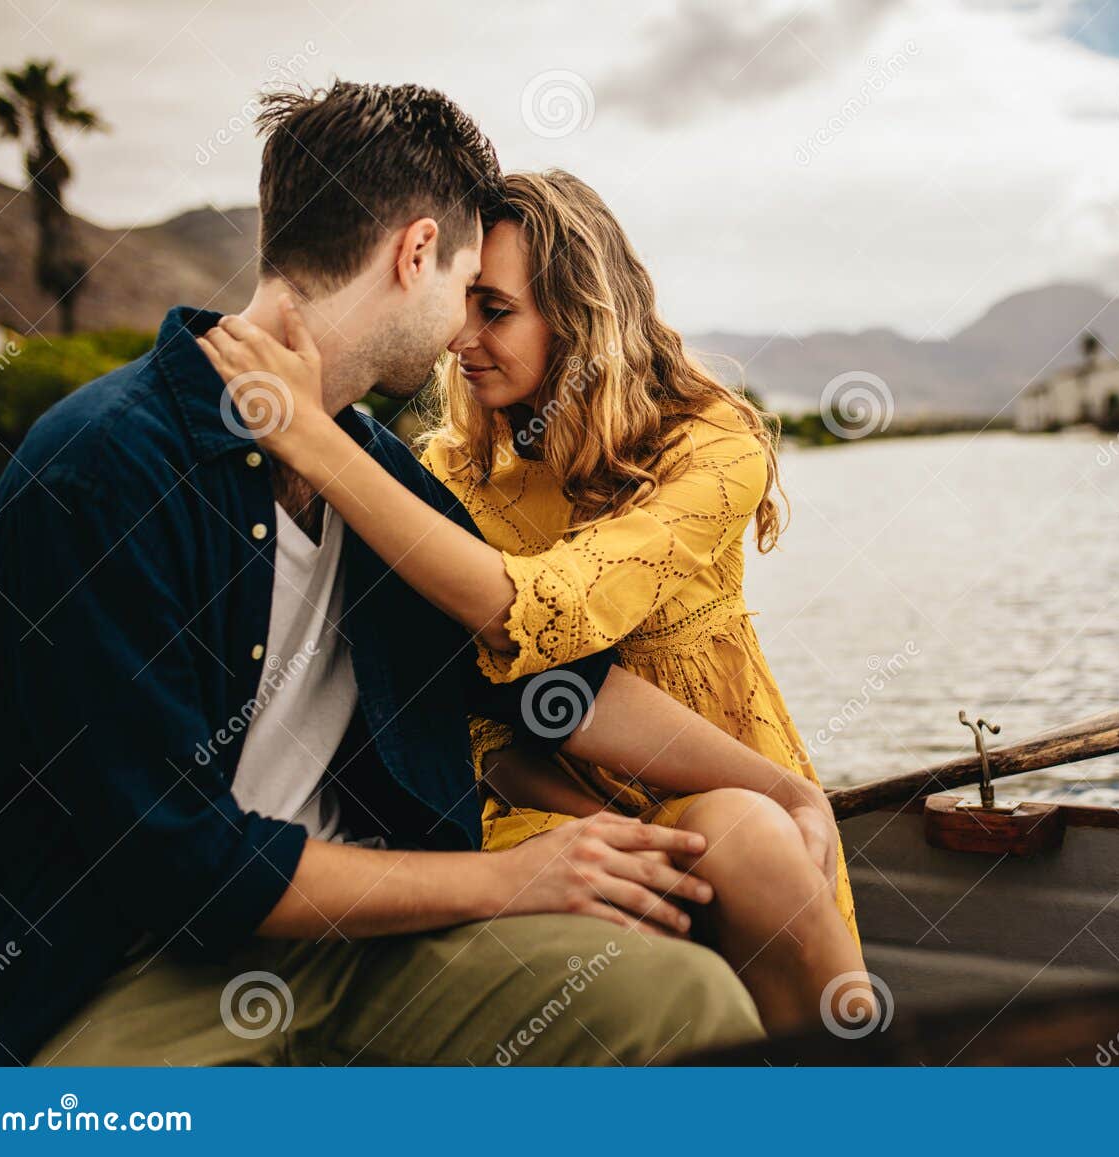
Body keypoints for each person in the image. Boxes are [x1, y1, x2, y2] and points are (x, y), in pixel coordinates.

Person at [0, 81, 836, 1067]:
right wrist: (510, 880)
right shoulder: (101, 469)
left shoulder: (374, 473)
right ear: (417, 252)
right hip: (113, 974)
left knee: (674, 997)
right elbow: (181, 865)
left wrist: (781, 789)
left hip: (351, 945)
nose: (461, 331)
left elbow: (539, 683)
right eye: (466, 284)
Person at [192, 171, 870, 1033]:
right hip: (528, 796)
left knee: (757, 842)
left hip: (709, 758)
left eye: (498, 311)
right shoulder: (447, 476)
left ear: (580, 315)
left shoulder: (709, 446)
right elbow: (476, 719)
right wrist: (600, 829)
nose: (462, 339)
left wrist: (316, 439)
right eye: (462, 305)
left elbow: (555, 610)